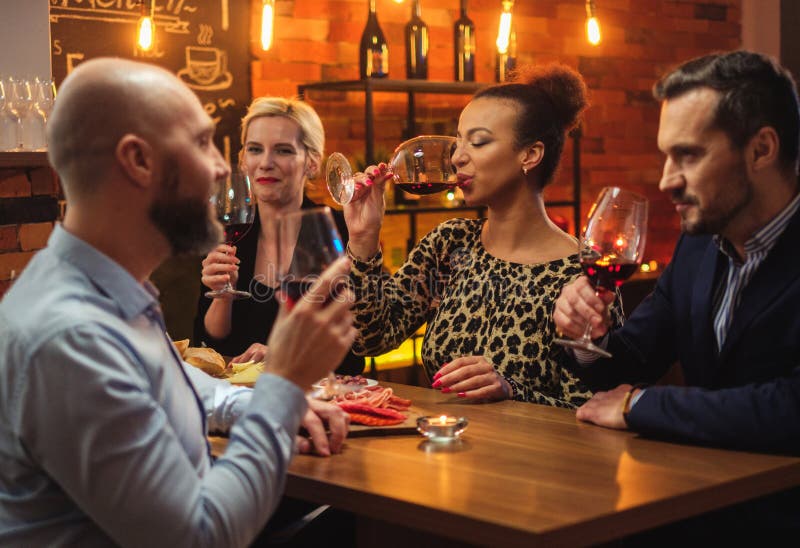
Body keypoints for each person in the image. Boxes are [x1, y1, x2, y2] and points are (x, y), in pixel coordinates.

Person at [0, 57, 356, 546]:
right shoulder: (72, 336)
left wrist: (250, 406)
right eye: (201, 142)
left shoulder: (107, 293)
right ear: (139, 160)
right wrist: (281, 387)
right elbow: (197, 537)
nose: (221, 167)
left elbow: (179, 382)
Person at [553, 50, 800, 536]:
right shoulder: (697, 244)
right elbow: (635, 357)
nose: (667, 179)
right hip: (697, 511)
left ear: (762, 149)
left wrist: (638, 406)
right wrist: (586, 335)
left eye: (688, 155)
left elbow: (790, 408)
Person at [343, 63, 622, 407]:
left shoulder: (583, 275)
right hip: (441, 449)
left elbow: (595, 405)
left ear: (530, 155)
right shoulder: (450, 242)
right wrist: (363, 238)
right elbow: (372, 337)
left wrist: (510, 391)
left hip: (530, 459)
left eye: (477, 142)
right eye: (459, 141)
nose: (458, 157)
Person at [194, 96, 364, 375]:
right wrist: (222, 296)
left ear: (311, 163)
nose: (266, 162)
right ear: (243, 160)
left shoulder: (336, 230)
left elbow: (355, 348)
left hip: (319, 396)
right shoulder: (226, 233)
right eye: (255, 149)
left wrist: (284, 356)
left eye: (283, 151)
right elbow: (210, 344)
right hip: (239, 400)